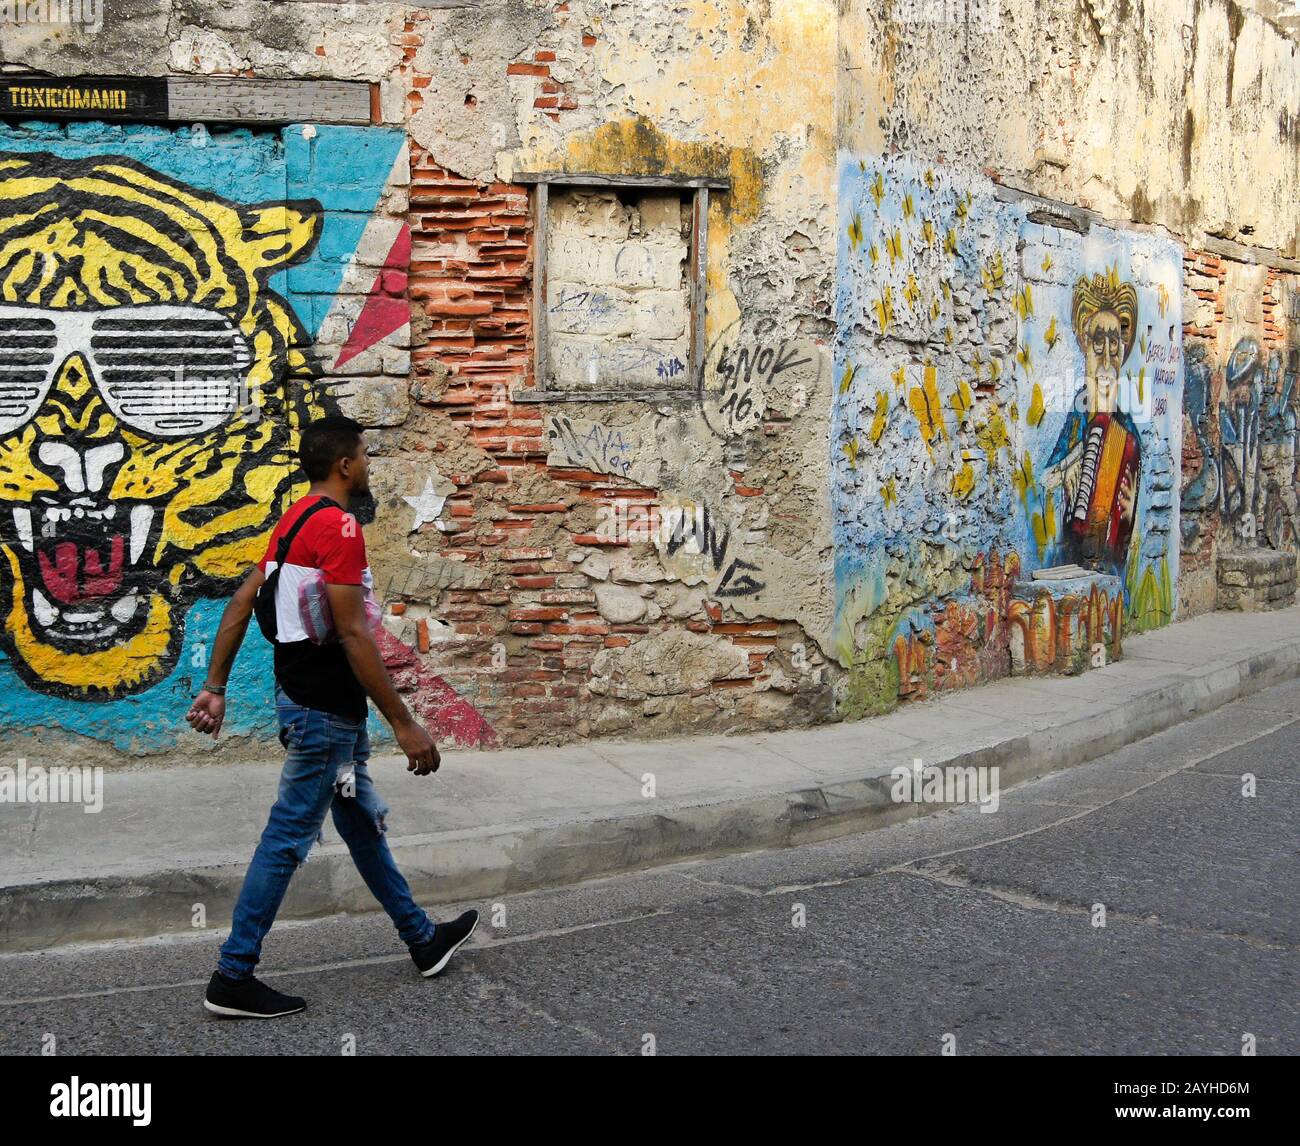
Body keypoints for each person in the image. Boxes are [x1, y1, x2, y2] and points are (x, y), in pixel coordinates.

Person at [186, 416, 477, 1018]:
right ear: (345, 465)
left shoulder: (293, 521)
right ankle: (232, 976)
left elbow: (243, 602)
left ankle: (422, 940)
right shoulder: (341, 527)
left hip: (311, 706)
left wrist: (217, 686)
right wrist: (403, 721)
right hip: (325, 716)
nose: (368, 465)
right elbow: (351, 630)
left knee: (360, 824)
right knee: (286, 840)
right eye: (364, 456)